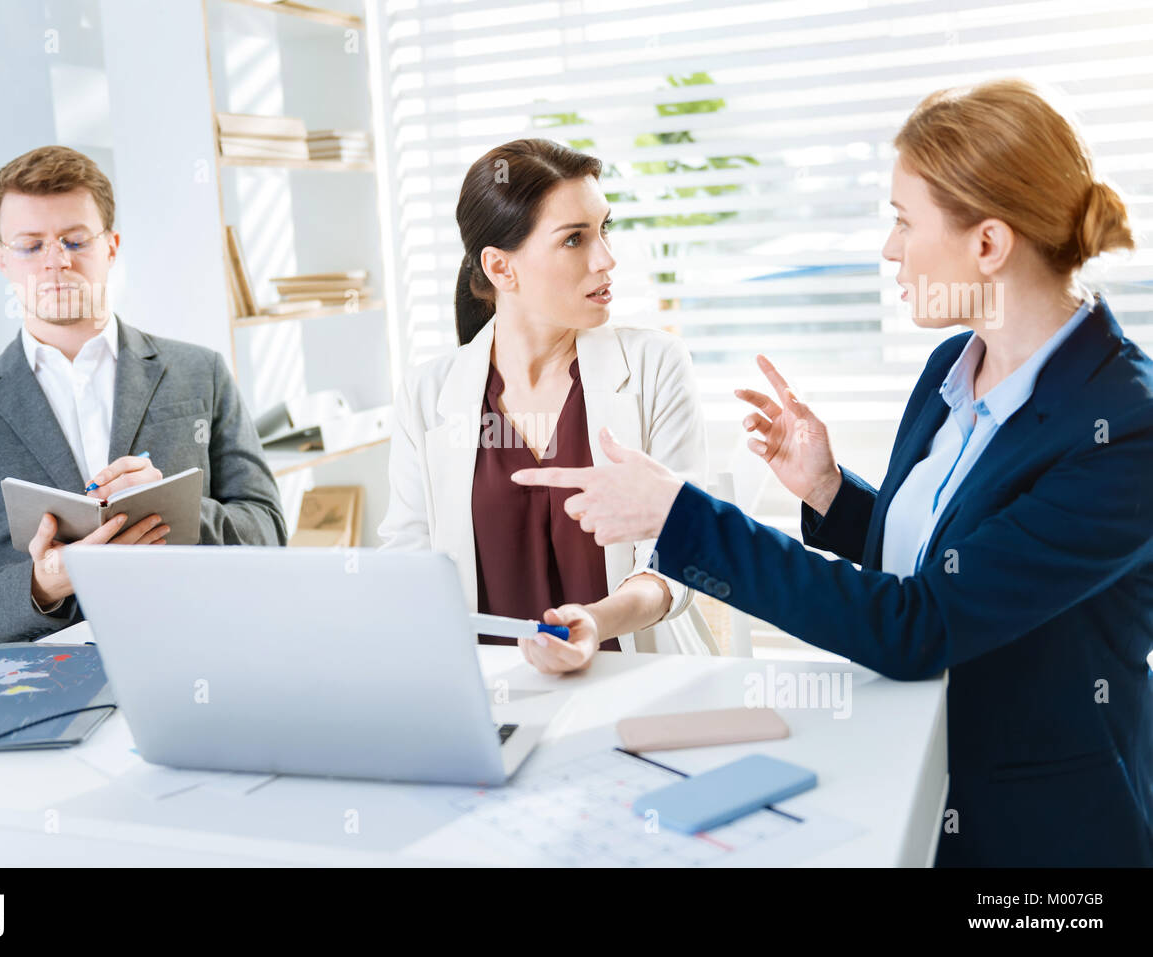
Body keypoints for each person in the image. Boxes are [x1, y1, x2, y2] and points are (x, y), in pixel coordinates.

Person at [512, 79, 1153, 866]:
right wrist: (831, 494)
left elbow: (924, 625)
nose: (889, 249)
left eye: (903, 221)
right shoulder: (954, 365)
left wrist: (681, 515)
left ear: (988, 245)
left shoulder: (1125, 430)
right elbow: (956, 557)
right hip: (922, 784)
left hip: (1044, 841)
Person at [0, 146, 287, 645]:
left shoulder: (200, 372)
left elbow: (269, 532)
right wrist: (43, 584)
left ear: (110, 246)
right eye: (30, 245)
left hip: (201, 648)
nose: (57, 262)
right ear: (1, 258)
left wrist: (176, 512)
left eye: (74, 240)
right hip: (47, 683)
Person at [380, 138, 707, 674]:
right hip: (488, 694)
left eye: (604, 229)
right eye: (575, 239)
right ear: (501, 269)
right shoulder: (426, 395)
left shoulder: (656, 365)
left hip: (633, 682)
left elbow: (681, 556)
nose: (606, 258)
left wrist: (596, 622)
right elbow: (408, 563)